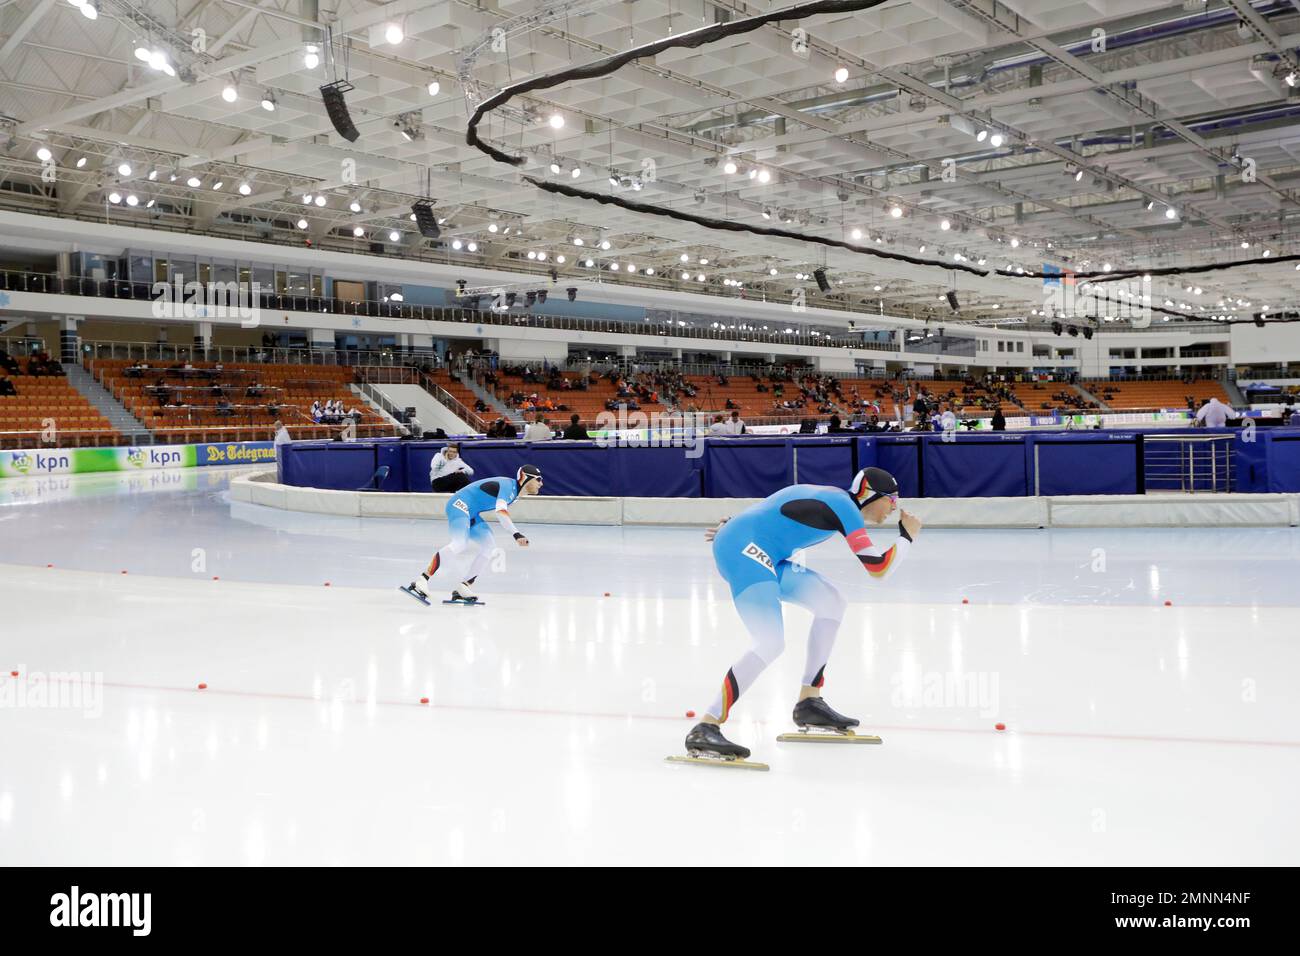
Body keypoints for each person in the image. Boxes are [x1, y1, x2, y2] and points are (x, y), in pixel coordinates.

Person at [682, 467, 921, 762]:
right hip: (744, 549)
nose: (895, 507)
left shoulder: (835, 501)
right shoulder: (845, 506)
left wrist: (735, 525)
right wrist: (906, 537)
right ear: (870, 495)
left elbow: (773, 507)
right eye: (891, 499)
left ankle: (810, 701)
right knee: (770, 642)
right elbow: (878, 568)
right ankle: (707, 724)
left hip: (754, 547)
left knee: (831, 602)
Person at [403, 465, 543, 604]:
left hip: (471, 512)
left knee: (489, 546)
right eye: (538, 479)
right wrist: (516, 534)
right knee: (459, 544)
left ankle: (464, 587)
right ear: (526, 478)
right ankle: (421, 581)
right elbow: (501, 512)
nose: (541, 484)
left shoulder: (514, 493)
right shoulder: (509, 487)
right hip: (459, 505)